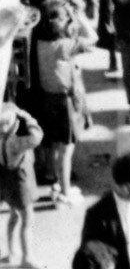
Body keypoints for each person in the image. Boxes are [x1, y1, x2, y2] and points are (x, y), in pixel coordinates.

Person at [34, 2, 96, 205]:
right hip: (64, 101)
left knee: (54, 146)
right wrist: (79, 15)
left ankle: (58, 184)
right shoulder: (66, 45)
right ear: (58, 22)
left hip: (47, 98)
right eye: (64, 18)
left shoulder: (40, 42)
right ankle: (66, 193)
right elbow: (94, 38)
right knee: (66, 149)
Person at [0, 102, 43, 268]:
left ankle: (12, 252)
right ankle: (27, 257)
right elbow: (36, 137)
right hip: (21, 183)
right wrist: (28, 118)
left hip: (6, 182)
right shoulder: (16, 142)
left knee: (14, 216)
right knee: (27, 218)